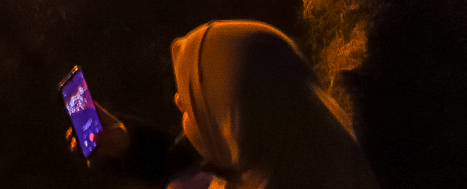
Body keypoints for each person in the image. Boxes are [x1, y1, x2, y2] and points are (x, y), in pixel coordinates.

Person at [69, 20, 380, 189]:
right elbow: (188, 161)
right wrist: (128, 146)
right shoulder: (308, 147)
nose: (178, 100)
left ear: (234, 124)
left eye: (195, 101)